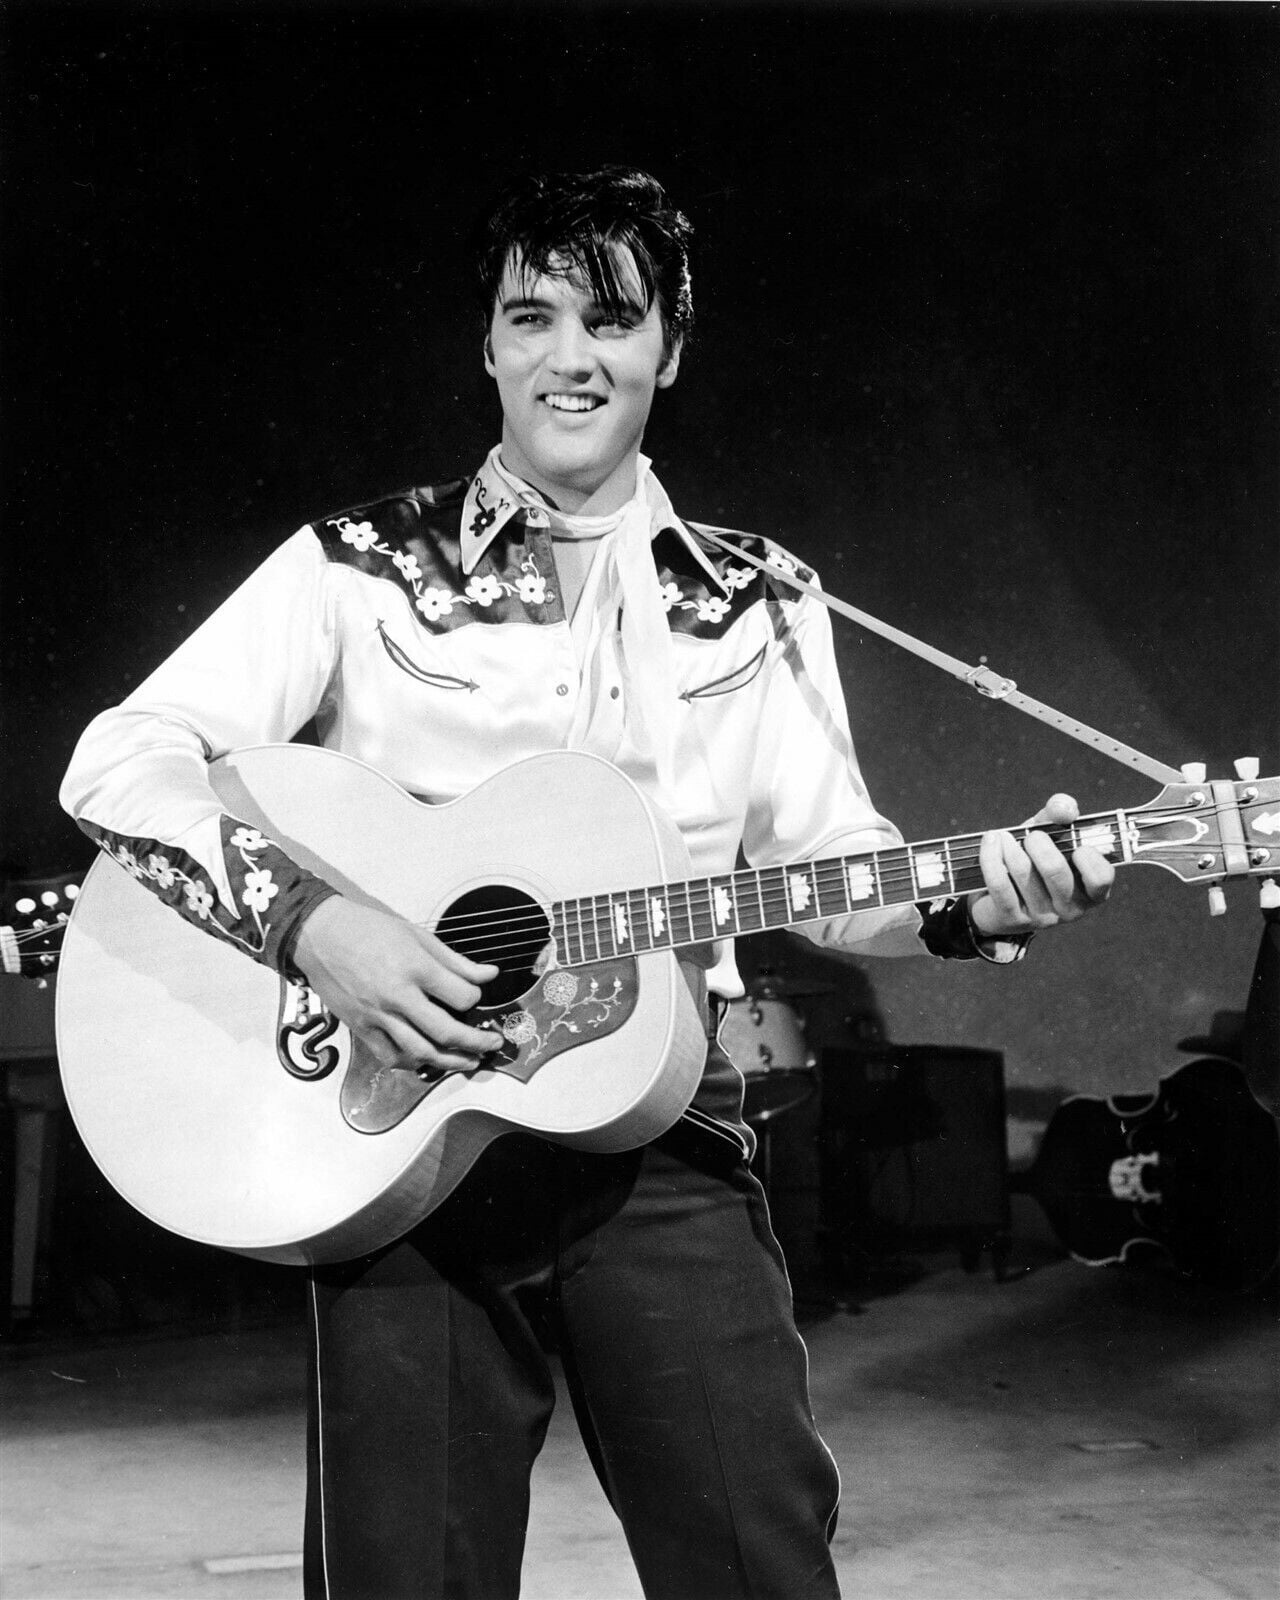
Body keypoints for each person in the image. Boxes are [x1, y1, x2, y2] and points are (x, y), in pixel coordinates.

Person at [60, 166, 1114, 1600]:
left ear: (670, 350)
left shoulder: (758, 598)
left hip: (663, 1139)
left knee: (757, 1566)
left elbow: (821, 873)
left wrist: (988, 895)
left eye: (612, 321)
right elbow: (119, 764)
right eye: (532, 315)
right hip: (401, 1160)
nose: (572, 356)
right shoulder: (357, 570)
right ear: (487, 343)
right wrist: (323, 928)